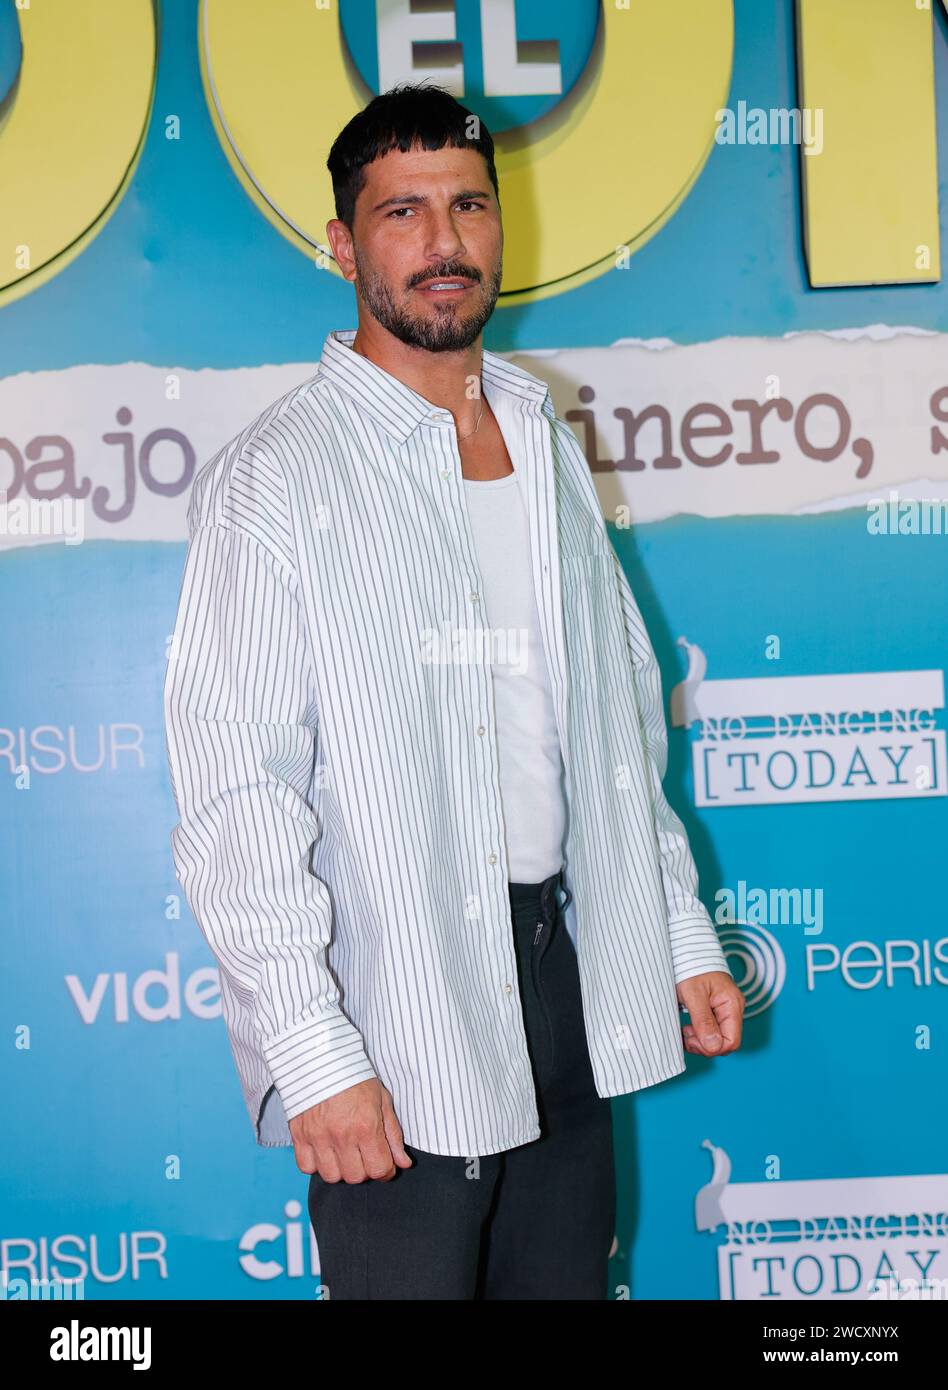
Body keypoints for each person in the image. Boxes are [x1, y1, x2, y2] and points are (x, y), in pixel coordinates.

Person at [163, 82, 744, 1301]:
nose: (444, 242)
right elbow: (237, 788)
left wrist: (676, 925)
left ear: (499, 227)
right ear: (342, 245)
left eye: (469, 206)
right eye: (402, 212)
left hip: (560, 980)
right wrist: (312, 1051)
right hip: (397, 1004)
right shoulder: (280, 476)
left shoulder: (541, 437)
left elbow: (613, 717)